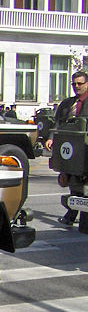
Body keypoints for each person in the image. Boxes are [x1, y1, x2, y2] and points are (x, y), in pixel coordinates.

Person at [47, 71, 88, 225]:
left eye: (80, 83)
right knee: (72, 181)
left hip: (85, 148)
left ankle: (80, 216)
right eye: (74, 84)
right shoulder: (67, 103)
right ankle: (72, 212)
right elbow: (57, 123)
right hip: (69, 149)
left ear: (87, 84)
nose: (76, 86)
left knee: (84, 183)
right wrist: (51, 138)